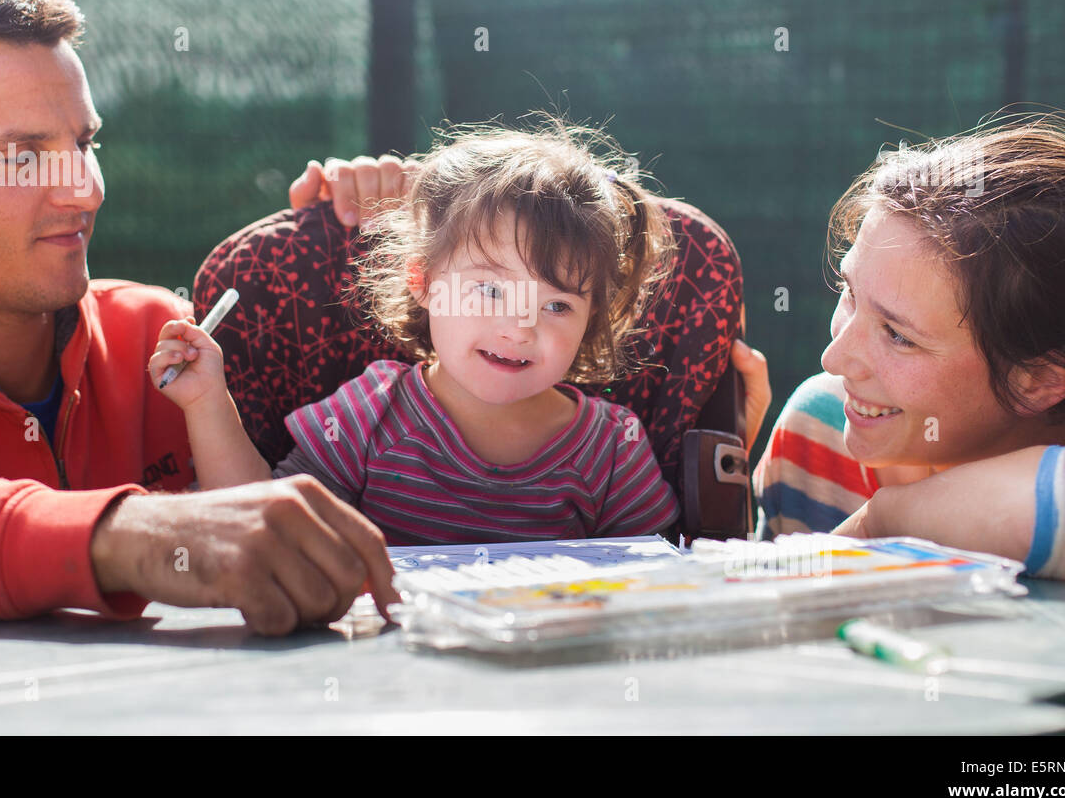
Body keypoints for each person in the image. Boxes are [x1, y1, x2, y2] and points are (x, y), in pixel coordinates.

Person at [0, 0, 402, 633]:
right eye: (23, 154)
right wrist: (130, 535)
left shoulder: (161, 336)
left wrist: (437, 242)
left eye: (85, 142)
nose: (87, 189)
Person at [151, 122, 683, 543]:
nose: (521, 328)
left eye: (558, 305)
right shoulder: (367, 417)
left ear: (593, 317)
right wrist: (207, 403)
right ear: (423, 283)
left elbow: (661, 582)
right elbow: (261, 525)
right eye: (492, 291)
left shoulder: (614, 448)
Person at [754, 115, 1065, 605]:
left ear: (1036, 380)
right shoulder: (822, 427)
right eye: (849, 292)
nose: (834, 358)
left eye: (897, 335)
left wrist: (884, 522)